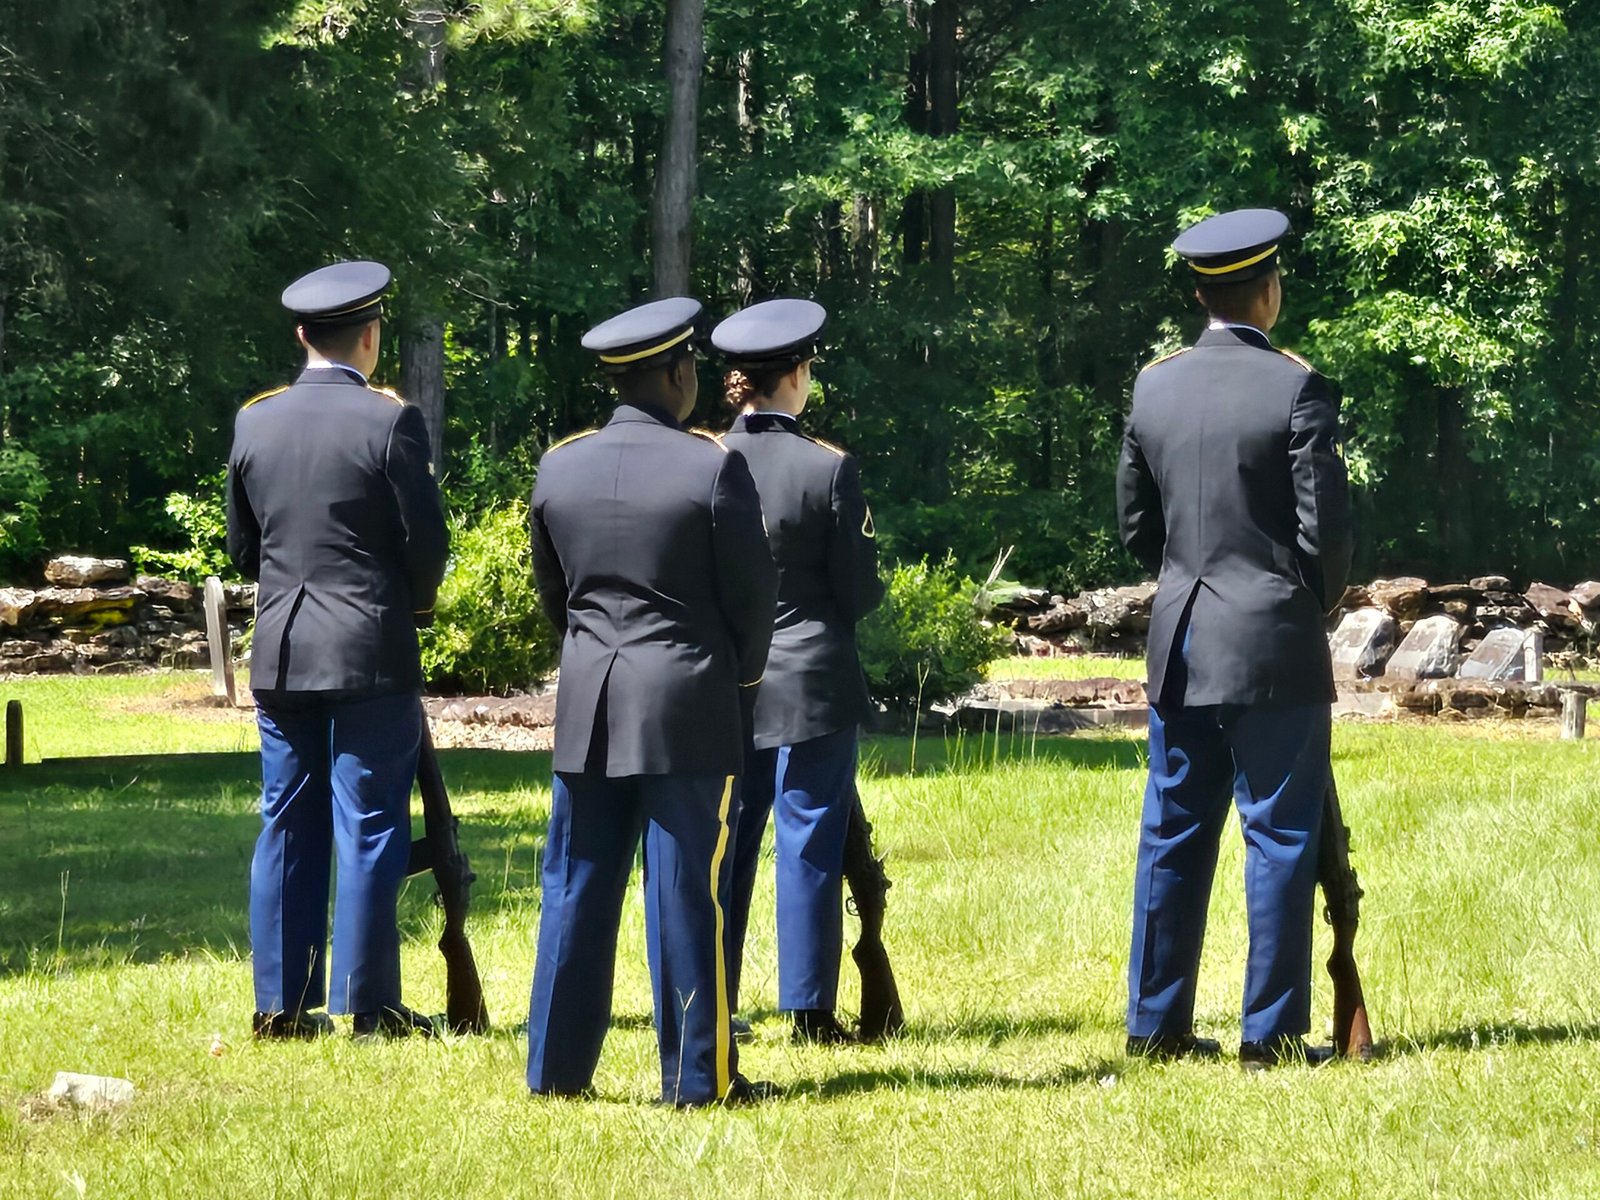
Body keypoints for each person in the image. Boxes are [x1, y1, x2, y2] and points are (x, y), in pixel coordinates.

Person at [525, 296, 780, 1107]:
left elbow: (555, 594)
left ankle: (555, 1071)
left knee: (575, 884)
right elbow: (753, 603)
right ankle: (698, 1078)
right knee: (684, 892)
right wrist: (741, 688)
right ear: (676, 374)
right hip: (685, 703)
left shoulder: (560, 466)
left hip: (590, 701)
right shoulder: (712, 467)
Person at [1116, 208, 1353, 1069]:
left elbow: (1136, 526)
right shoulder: (1298, 388)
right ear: (1269, 291)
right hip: (1272, 639)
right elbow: (1326, 534)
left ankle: (1156, 1026)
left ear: (1199, 294)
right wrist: (1304, 604)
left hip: (1181, 638)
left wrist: (1189, 575)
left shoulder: (1154, 387)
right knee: (1280, 838)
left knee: (1173, 834)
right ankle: (1271, 1035)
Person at [227, 260, 449, 1041]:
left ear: (301, 335)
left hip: (284, 648)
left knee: (286, 823)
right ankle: (368, 1003)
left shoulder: (255, 422)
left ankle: (280, 1004)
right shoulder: (390, 421)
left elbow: (245, 548)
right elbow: (427, 542)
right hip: (368, 645)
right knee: (370, 821)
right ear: (370, 336)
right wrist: (413, 607)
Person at [714, 298, 884, 1044]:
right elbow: (859, 589)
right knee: (810, 835)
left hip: (727, 681)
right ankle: (810, 1009)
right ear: (795, 375)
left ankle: (714, 998)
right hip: (813, 675)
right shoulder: (827, 467)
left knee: (727, 843)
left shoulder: (702, 459)